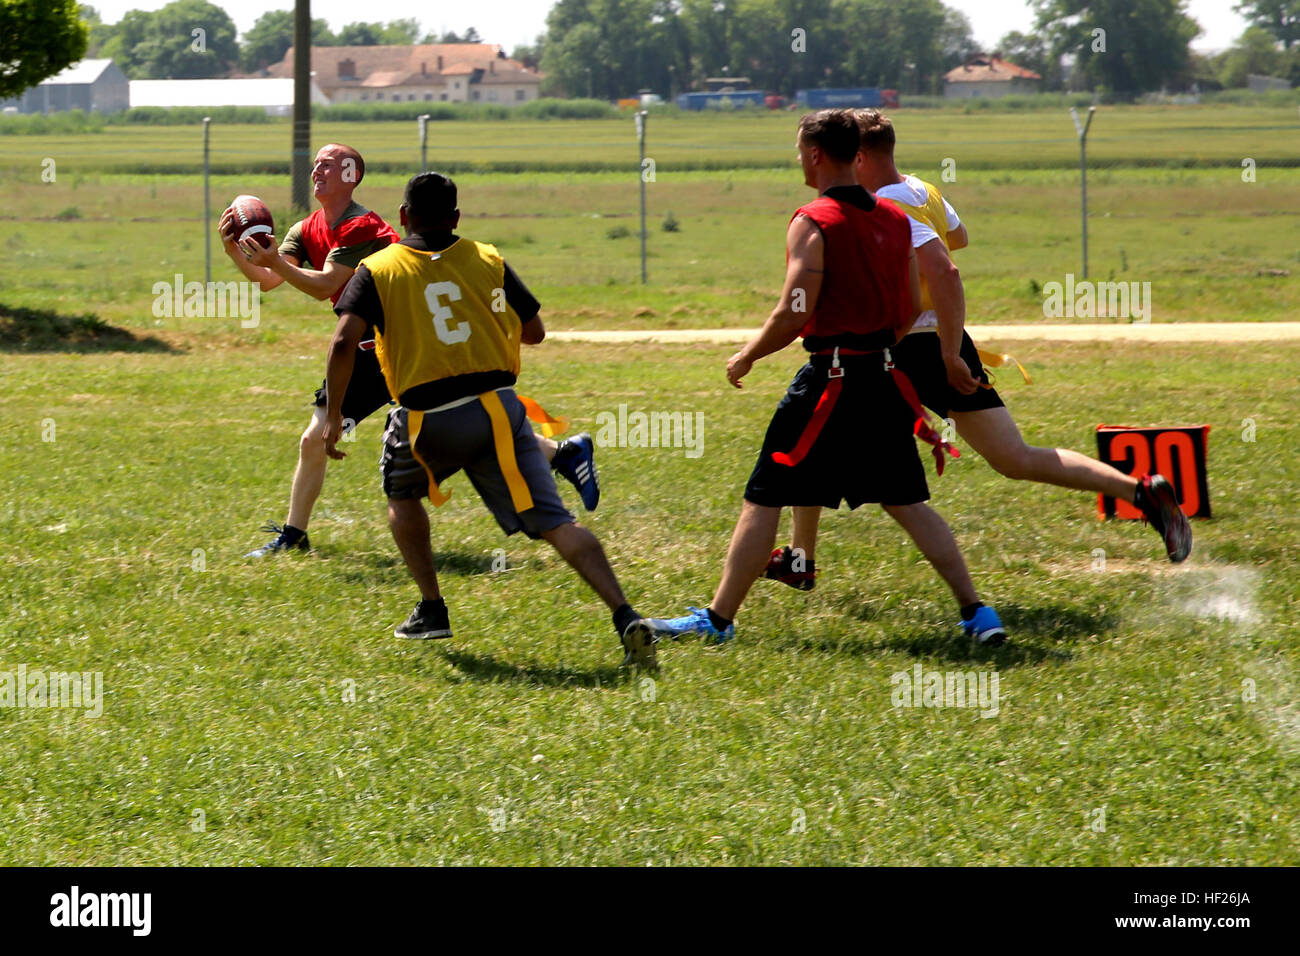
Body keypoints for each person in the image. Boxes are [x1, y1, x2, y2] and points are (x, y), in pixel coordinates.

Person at [764, 109, 1192, 592]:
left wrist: (947, 352)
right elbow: (959, 236)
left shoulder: (881, 204)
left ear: (857, 157)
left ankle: (807, 561)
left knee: (815, 436)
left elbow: (945, 269)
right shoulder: (921, 190)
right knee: (1014, 457)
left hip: (907, 348)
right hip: (932, 341)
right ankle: (1141, 490)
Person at [649, 110, 1007, 647]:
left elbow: (794, 309)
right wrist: (881, 343)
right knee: (908, 502)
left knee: (764, 496)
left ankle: (717, 622)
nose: (798, 158)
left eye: (800, 150)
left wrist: (747, 355)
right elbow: (912, 303)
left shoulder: (813, 219)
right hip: (885, 376)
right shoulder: (893, 216)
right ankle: (978, 614)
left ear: (816, 154)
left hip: (828, 382)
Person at [324, 171, 661, 667]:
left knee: (402, 495)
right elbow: (535, 332)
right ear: (456, 218)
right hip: (499, 409)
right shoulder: (488, 258)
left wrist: (334, 415)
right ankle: (625, 614)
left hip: (428, 418)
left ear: (402, 217)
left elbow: (342, 342)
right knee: (556, 523)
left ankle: (432, 608)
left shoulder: (378, 268)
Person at [221, 145, 600, 559]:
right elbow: (268, 279)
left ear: (351, 174)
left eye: (327, 165)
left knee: (462, 422)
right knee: (317, 439)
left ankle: (559, 460)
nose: (316, 171)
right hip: (372, 351)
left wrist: (275, 262)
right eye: (315, 164)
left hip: (404, 343)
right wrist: (237, 254)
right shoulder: (305, 228)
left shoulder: (360, 225)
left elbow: (327, 285)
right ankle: (294, 535)